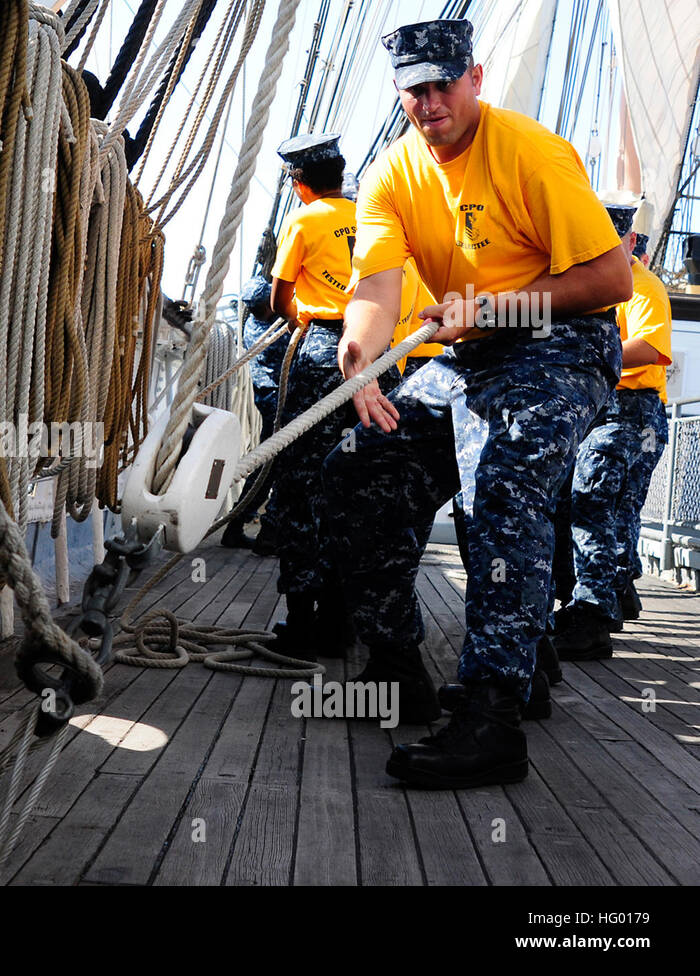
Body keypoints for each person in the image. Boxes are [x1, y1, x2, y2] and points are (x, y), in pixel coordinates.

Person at [321, 18, 632, 788]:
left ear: (475, 79)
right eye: (414, 91)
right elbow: (376, 286)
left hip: (560, 341)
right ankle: (397, 667)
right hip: (467, 356)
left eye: (441, 85)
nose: (430, 103)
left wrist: (491, 311)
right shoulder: (394, 175)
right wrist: (359, 353)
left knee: (501, 487)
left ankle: (492, 714)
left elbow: (611, 282)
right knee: (356, 469)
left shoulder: (531, 153)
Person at [260, 133, 399, 661]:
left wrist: (308, 320)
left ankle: (301, 624)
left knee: (300, 484)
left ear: (299, 185)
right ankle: (343, 622)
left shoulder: (304, 220)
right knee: (355, 484)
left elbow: (279, 299)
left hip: (321, 354)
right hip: (375, 352)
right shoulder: (372, 216)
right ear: (342, 175)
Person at [552, 198, 672, 660]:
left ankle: (593, 616)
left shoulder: (641, 287)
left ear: (631, 241)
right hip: (603, 408)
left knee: (593, 502)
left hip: (629, 412)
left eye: (609, 242)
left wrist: (584, 358)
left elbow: (648, 346)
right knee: (604, 509)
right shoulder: (592, 287)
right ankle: (612, 592)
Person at [220, 272, 288, 552]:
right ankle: (267, 533)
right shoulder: (274, 333)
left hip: (268, 398)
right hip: (278, 400)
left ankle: (238, 526)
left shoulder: (252, 323)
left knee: (269, 467)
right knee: (278, 467)